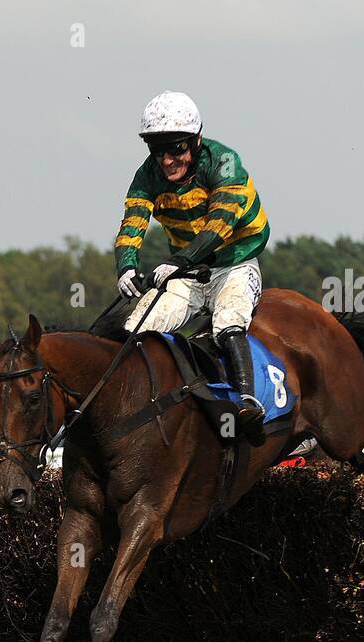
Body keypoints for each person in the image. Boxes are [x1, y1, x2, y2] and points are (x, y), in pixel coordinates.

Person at [114, 91, 271, 441]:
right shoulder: (146, 176)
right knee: (136, 326)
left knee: (228, 320)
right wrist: (126, 266)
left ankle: (247, 402)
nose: (168, 161)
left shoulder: (225, 162)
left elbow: (219, 226)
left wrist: (179, 260)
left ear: (197, 140)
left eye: (177, 149)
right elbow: (132, 224)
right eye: (158, 151)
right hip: (187, 272)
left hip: (234, 262)